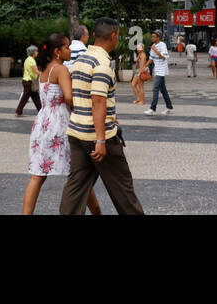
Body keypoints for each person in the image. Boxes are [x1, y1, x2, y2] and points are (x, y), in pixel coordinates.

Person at [60, 17, 145, 215]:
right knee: (123, 190)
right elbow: (98, 101)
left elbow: (77, 97)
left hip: (76, 132)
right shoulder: (102, 63)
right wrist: (100, 139)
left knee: (75, 189)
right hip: (100, 137)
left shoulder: (81, 59)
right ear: (113, 36)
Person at [23, 34, 101, 215]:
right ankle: (98, 213)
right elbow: (68, 97)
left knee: (37, 176)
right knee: (78, 174)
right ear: (57, 51)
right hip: (60, 124)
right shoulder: (61, 70)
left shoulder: (45, 70)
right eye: (66, 47)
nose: (70, 50)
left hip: (42, 124)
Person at [145, 30, 173, 115]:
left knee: (155, 89)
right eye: (152, 36)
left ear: (158, 38)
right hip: (157, 70)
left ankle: (152, 109)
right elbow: (151, 58)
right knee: (163, 90)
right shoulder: (153, 45)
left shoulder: (162, 45)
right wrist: (144, 66)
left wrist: (155, 50)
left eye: (153, 36)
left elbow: (164, 57)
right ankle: (169, 107)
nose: (152, 38)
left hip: (162, 70)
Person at [16, 45, 41, 116]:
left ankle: (41, 111)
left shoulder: (28, 59)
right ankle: (18, 111)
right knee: (25, 98)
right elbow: (36, 71)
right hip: (29, 82)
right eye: (36, 51)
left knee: (36, 97)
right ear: (33, 52)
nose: (37, 52)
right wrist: (44, 75)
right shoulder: (31, 60)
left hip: (27, 81)